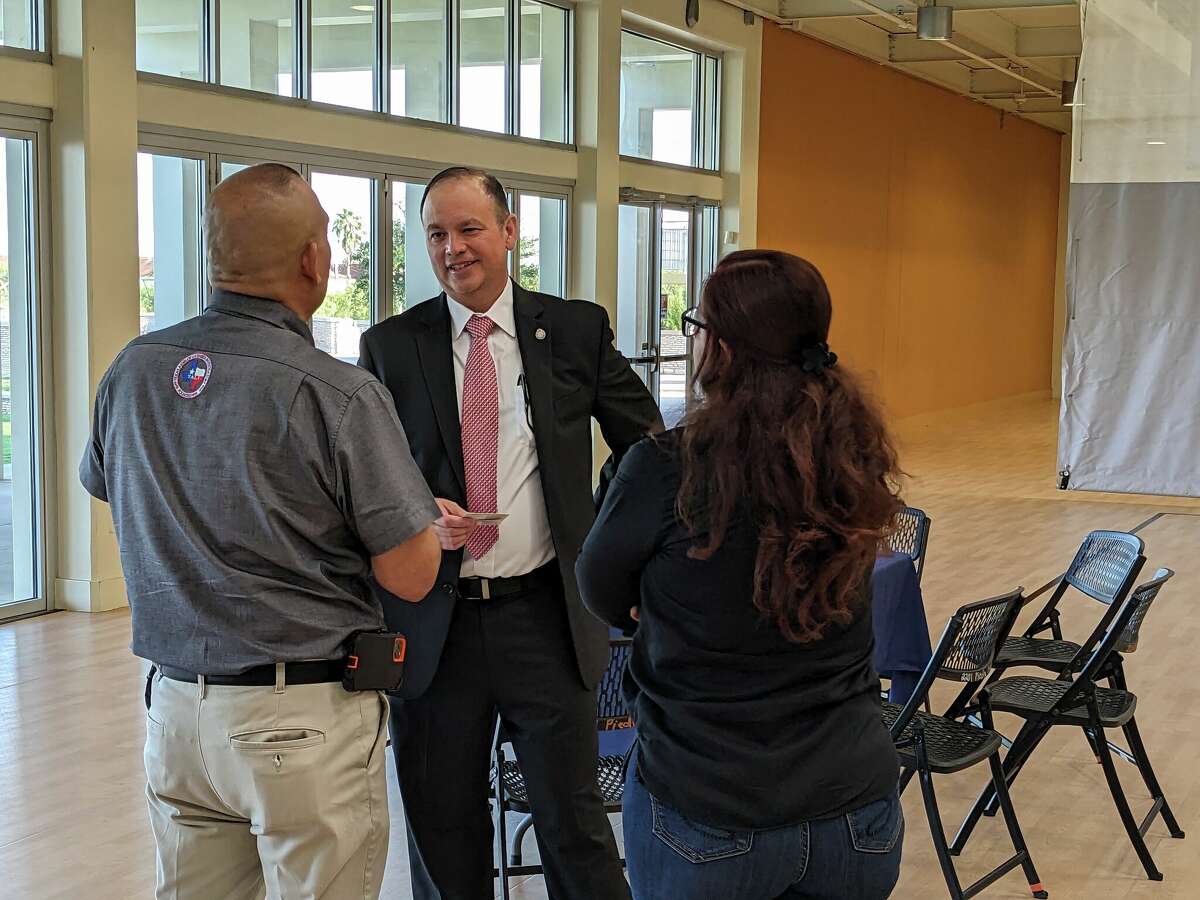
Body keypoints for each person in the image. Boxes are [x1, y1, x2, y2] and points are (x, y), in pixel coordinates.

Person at [79, 163, 443, 900]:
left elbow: (110, 488)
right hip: (299, 720)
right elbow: (411, 573)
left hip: (176, 715)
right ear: (314, 260)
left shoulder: (134, 369)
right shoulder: (336, 392)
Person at [358, 166, 661, 899]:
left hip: (547, 622)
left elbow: (649, 446)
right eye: (437, 234)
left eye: (469, 230)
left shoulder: (575, 330)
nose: (453, 248)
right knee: (443, 831)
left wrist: (603, 535)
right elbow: (367, 478)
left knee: (576, 829)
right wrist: (416, 513)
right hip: (437, 628)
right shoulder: (390, 347)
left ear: (509, 232)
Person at [577, 249, 906, 900]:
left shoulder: (668, 467)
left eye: (695, 325)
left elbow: (600, 586)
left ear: (721, 349)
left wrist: (655, 601)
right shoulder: (854, 454)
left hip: (709, 811)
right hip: (856, 810)